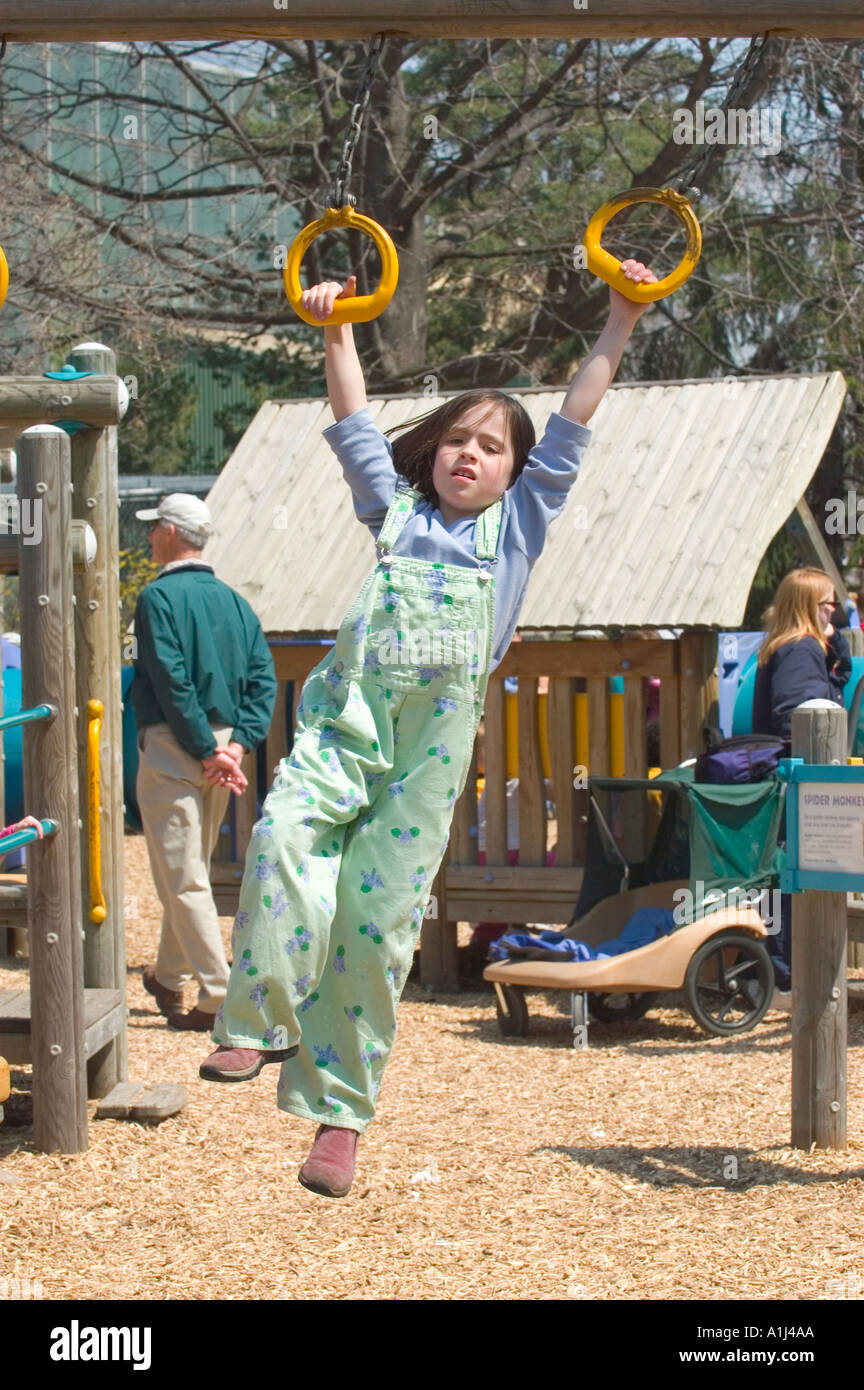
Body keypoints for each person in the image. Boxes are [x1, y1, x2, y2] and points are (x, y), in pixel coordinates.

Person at [200, 258, 659, 1199]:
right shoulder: (396, 514)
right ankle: (260, 1020)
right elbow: (354, 422)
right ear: (434, 454)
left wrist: (618, 321)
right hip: (347, 724)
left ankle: (339, 1120)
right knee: (284, 838)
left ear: (517, 472)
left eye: (491, 448)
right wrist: (335, 329)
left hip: (426, 758)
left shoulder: (522, 525)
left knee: (375, 930)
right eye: (457, 440)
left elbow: (575, 416)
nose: (469, 455)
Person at [130, 493, 277, 1031]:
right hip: (222, 750)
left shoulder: (156, 598)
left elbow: (170, 679)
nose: (148, 538)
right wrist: (236, 745)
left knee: (182, 876)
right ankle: (168, 976)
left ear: (170, 532)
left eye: (153, 529)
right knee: (188, 872)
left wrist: (204, 747)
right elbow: (263, 678)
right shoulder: (236, 602)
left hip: (176, 745)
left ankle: (219, 996)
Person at [752, 567, 851, 999]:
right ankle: (783, 969)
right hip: (799, 776)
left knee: (783, 872)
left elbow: (828, 685)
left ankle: (777, 966)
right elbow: (800, 710)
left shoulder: (792, 646)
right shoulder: (800, 649)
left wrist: (837, 645)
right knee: (793, 871)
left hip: (784, 774)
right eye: (829, 604)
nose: (836, 611)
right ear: (811, 607)